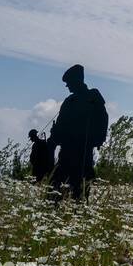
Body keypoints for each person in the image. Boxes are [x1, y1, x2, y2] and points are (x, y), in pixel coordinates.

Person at [47, 65, 108, 202]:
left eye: (69, 82)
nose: (67, 86)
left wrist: (97, 139)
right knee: (55, 188)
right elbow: (60, 125)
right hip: (66, 152)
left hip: (83, 152)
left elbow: (102, 120)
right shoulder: (69, 101)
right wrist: (52, 140)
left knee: (79, 191)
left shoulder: (93, 98)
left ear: (77, 81)